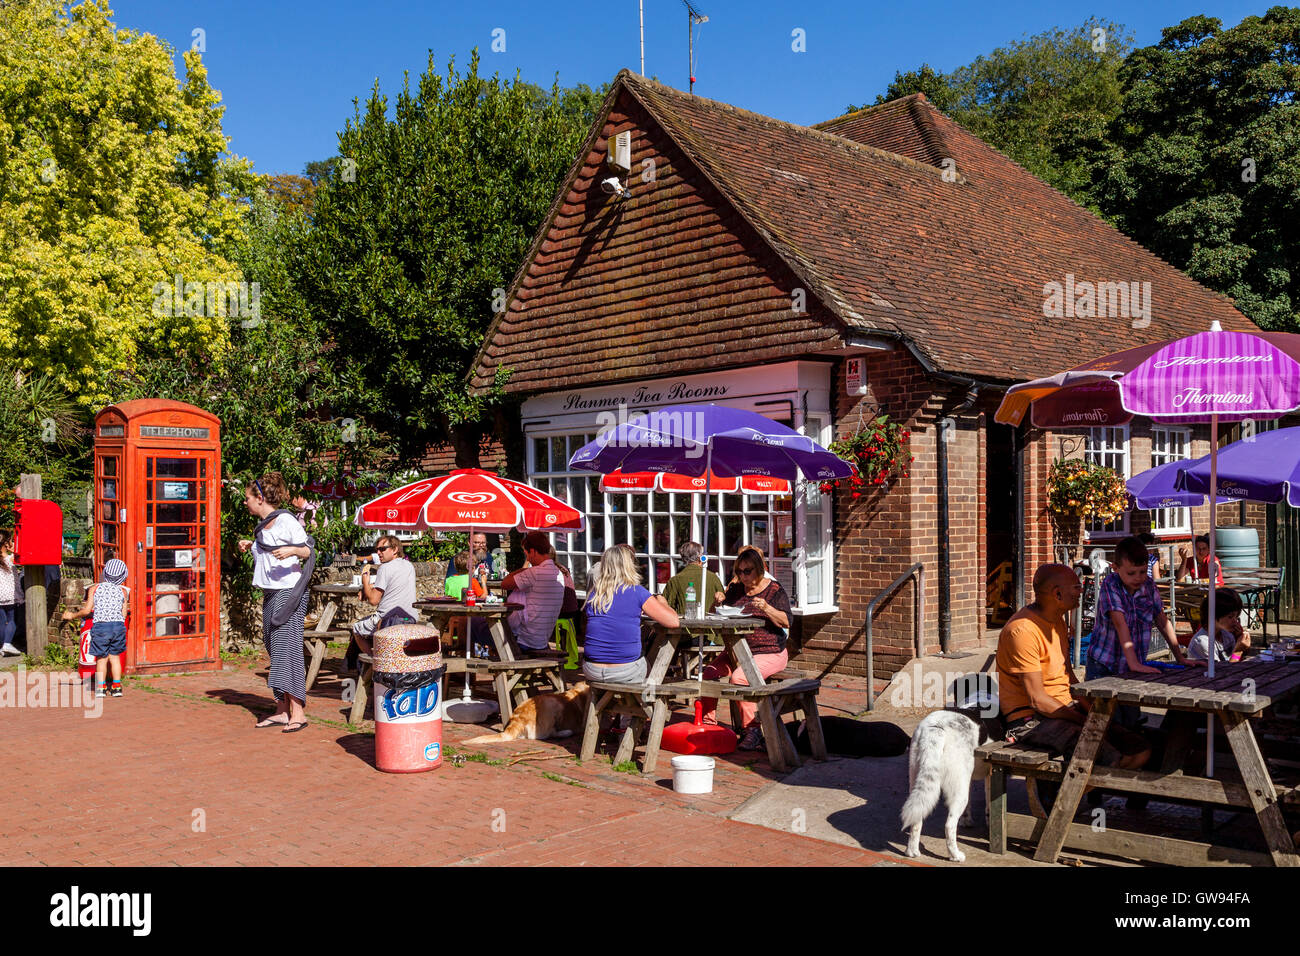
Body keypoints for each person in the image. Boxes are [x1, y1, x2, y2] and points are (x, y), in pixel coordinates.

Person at [997, 564, 1150, 770]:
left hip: (1063, 710)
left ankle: (1077, 793)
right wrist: (1081, 719)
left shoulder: (1057, 622)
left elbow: (1069, 678)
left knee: (1139, 748)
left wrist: (1093, 714)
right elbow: (1038, 700)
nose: (1081, 591)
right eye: (1076, 587)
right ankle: (1065, 799)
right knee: (1105, 756)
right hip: (1031, 721)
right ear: (1057, 594)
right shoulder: (1022, 631)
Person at [1086, 536, 1199, 728]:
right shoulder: (1110, 585)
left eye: (1142, 571)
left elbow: (1162, 620)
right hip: (1104, 664)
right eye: (1131, 573)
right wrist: (1134, 663)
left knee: (1130, 721)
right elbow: (1120, 624)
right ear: (1115, 568)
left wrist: (1179, 656)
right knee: (1106, 724)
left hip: (1132, 664)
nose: (1138, 578)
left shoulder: (1148, 584)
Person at [237, 472, 314, 733]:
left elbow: (307, 549)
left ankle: (298, 712)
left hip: (289, 591)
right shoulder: (264, 525)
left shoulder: (285, 520)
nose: (245, 502)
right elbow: (267, 551)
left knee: (286, 648)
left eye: (247, 498)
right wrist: (251, 545)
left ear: (259, 498)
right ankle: (281, 710)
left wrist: (292, 550)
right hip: (270, 592)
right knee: (273, 646)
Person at [700, 549, 793, 751]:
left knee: (739, 678)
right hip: (736, 650)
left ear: (758, 569)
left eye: (747, 571)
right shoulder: (736, 588)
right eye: (739, 572)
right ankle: (708, 724)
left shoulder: (774, 590)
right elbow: (714, 614)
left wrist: (767, 608)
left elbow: (787, 621)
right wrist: (716, 603)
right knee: (708, 673)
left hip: (770, 651)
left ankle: (753, 730)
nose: (743, 576)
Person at [582, 545, 679, 684]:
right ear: (629, 565)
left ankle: (615, 703)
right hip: (625, 670)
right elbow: (673, 621)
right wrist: (663, 602)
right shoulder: (637, 592)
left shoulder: (594, 594)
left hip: (591, 668)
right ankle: (647, 703)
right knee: (652, 667)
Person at [61, 557, 130, 698]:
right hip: (118, 627)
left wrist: (72, 615)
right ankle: (117, 687)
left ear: (105, 573)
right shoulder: (123, 592)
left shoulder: (95, 588)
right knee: (115, 658)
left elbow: (86, 611)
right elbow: (123, 614)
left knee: (101, 659)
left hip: (101, 627)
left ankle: (101, 688)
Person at [351, 535, 419, 656]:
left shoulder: (385, 568)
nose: (378, 553)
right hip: (411, 617)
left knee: (357, 628)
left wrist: (365, 582)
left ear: (395, 549)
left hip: (387, 619)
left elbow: (373, 600)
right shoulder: (409, 566)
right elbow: (392, 584)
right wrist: (369, 587)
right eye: (377, 549)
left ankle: (373, 661)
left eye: (382, 549)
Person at [502, 531, 566, 654]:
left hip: (524, 641)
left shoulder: (534, 573)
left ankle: (465, 667)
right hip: (541, 640)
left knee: (474, 625)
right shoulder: (559, 574)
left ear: (533, 551)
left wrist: (523, 569)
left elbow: (505, 583)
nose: (528, 558)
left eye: (527, 554)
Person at [1187, 588, 1250, 662]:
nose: (1235, 621)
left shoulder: (1226, 634)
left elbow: (1239, 660)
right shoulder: (1203, 642)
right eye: (1230, 617)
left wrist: (1241, 643)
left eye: (1236, 617)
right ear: (1214, 615)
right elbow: (1225, 672)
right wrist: (1237, 652)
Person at [662, 541, 723, 616]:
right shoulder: (713, 577)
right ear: (701, 557)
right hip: (711, 624)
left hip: (684, 624)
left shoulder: (675, 580)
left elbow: (666, 606)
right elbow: (723, 602)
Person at [0, 531, 21, 656]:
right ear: (6, 544)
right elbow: (23, 558)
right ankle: (7, 644)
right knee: (12, 620)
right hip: (9, 595)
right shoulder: (10, 559)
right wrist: (14, 549)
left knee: (2, 621)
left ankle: (2, 645)